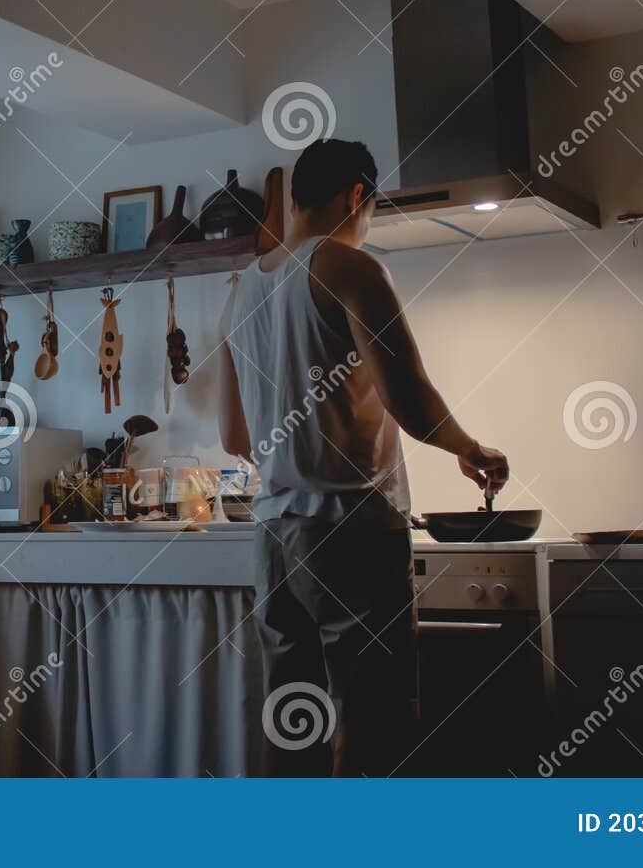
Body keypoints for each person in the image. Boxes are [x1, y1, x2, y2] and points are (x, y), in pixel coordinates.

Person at [217, 138, 510, 776]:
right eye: (371, 207)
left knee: (291, 716)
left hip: (273, 532)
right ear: (357, 196)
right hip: (348, 525)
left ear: (296, 198)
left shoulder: (242, 290)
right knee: (370, 715)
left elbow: (235, 438)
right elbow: (409, 397)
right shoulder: (350, 267)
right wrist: (471, 448)